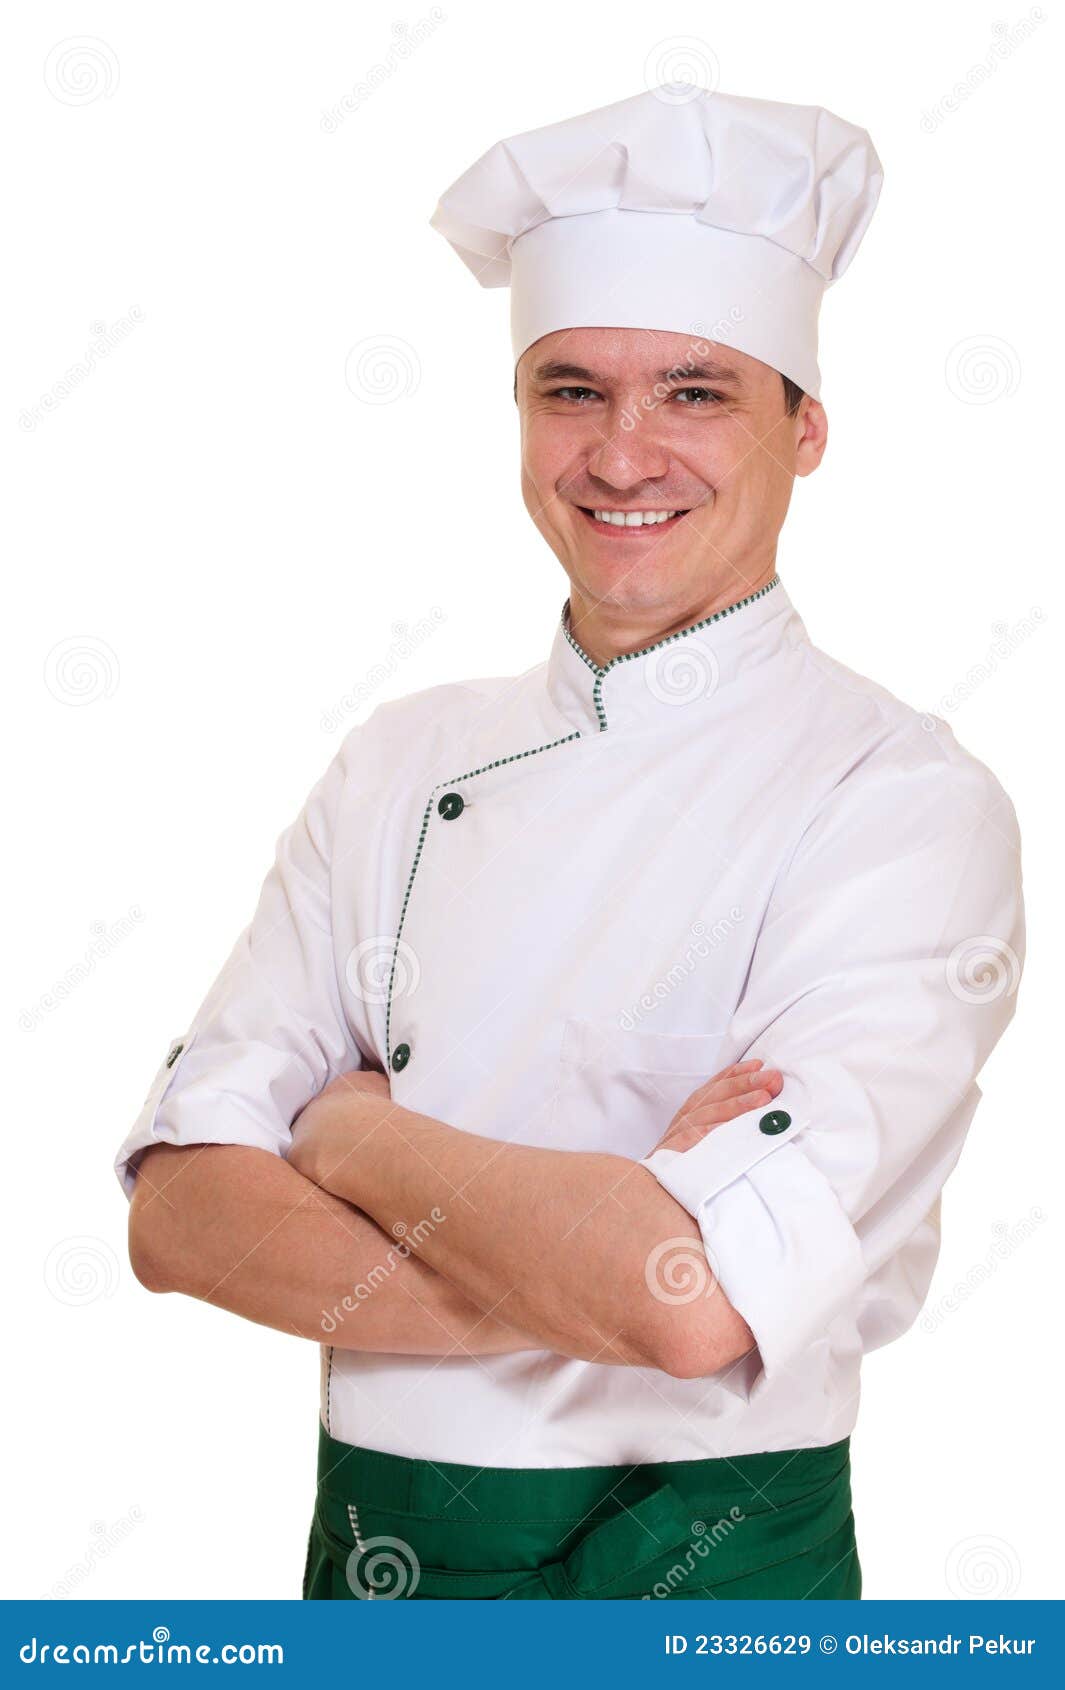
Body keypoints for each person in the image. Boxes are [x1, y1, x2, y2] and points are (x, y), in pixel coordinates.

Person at [117, 87, 1024, 1601]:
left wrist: (352, 1137)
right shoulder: (394, 759)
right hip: (385, 1548)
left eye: (694, 392)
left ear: (805, 429)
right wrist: (581, 1240)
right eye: (569, 390)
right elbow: (177, 1214)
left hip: (714, 1552)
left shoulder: (897, 801)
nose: (621, 455)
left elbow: (688, 1308)